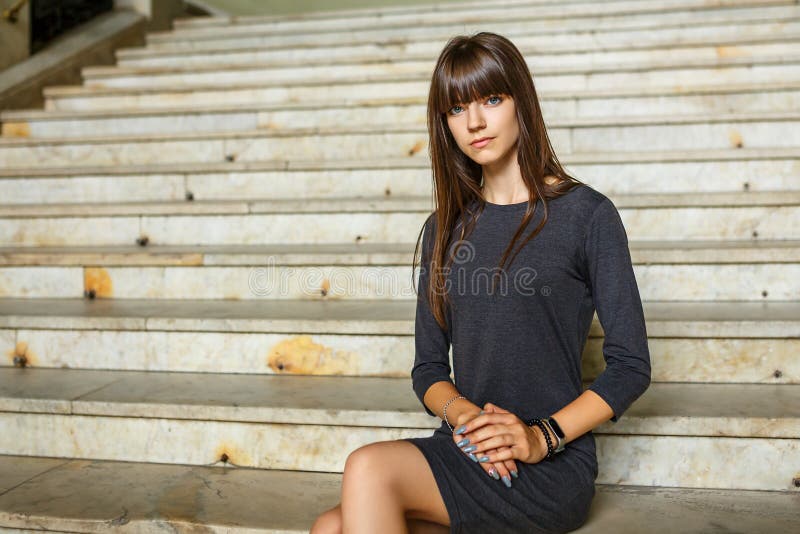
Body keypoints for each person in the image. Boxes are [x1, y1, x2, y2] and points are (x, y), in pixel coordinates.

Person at [311, 31, 651, 534]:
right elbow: (427, 370)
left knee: (368, 467)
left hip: (549, 464)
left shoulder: (586, 215)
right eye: (456, 109)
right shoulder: (445, 229)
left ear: (522, 102)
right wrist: (473, 424)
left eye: (492, 99)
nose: (474, 122)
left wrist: (541, 436)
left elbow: (630, 366)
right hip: (468, 446)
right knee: (329, 526)